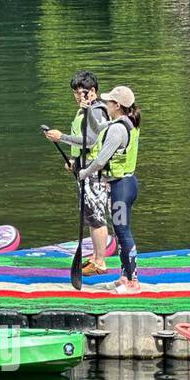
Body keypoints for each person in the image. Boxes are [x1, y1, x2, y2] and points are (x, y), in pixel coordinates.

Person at [44, 71, 111, 274]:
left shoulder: (97, 111)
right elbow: (84, 142)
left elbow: (91, 141)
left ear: (92, 92)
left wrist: (60, 137)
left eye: (81, 93)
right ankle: (96, 257)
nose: (77, 97)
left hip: (95, 171)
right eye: (74, 93)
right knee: (90, 215)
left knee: (96, 215)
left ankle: (100, 261)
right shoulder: (85, 110)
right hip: (85, 167)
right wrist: (75, 161)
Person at [79, 86, 141, 293]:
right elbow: (97, 129)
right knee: (120, 231)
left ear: (117, 106)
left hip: (122, 187)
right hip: (124, 184)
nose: (105, 105)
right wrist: (87, 111)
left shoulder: (117, 129)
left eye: (108, 102)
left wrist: (84, 173)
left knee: (123, 232)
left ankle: (133, 282)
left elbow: (100, 160)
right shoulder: (123, 123)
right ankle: (124, 277)